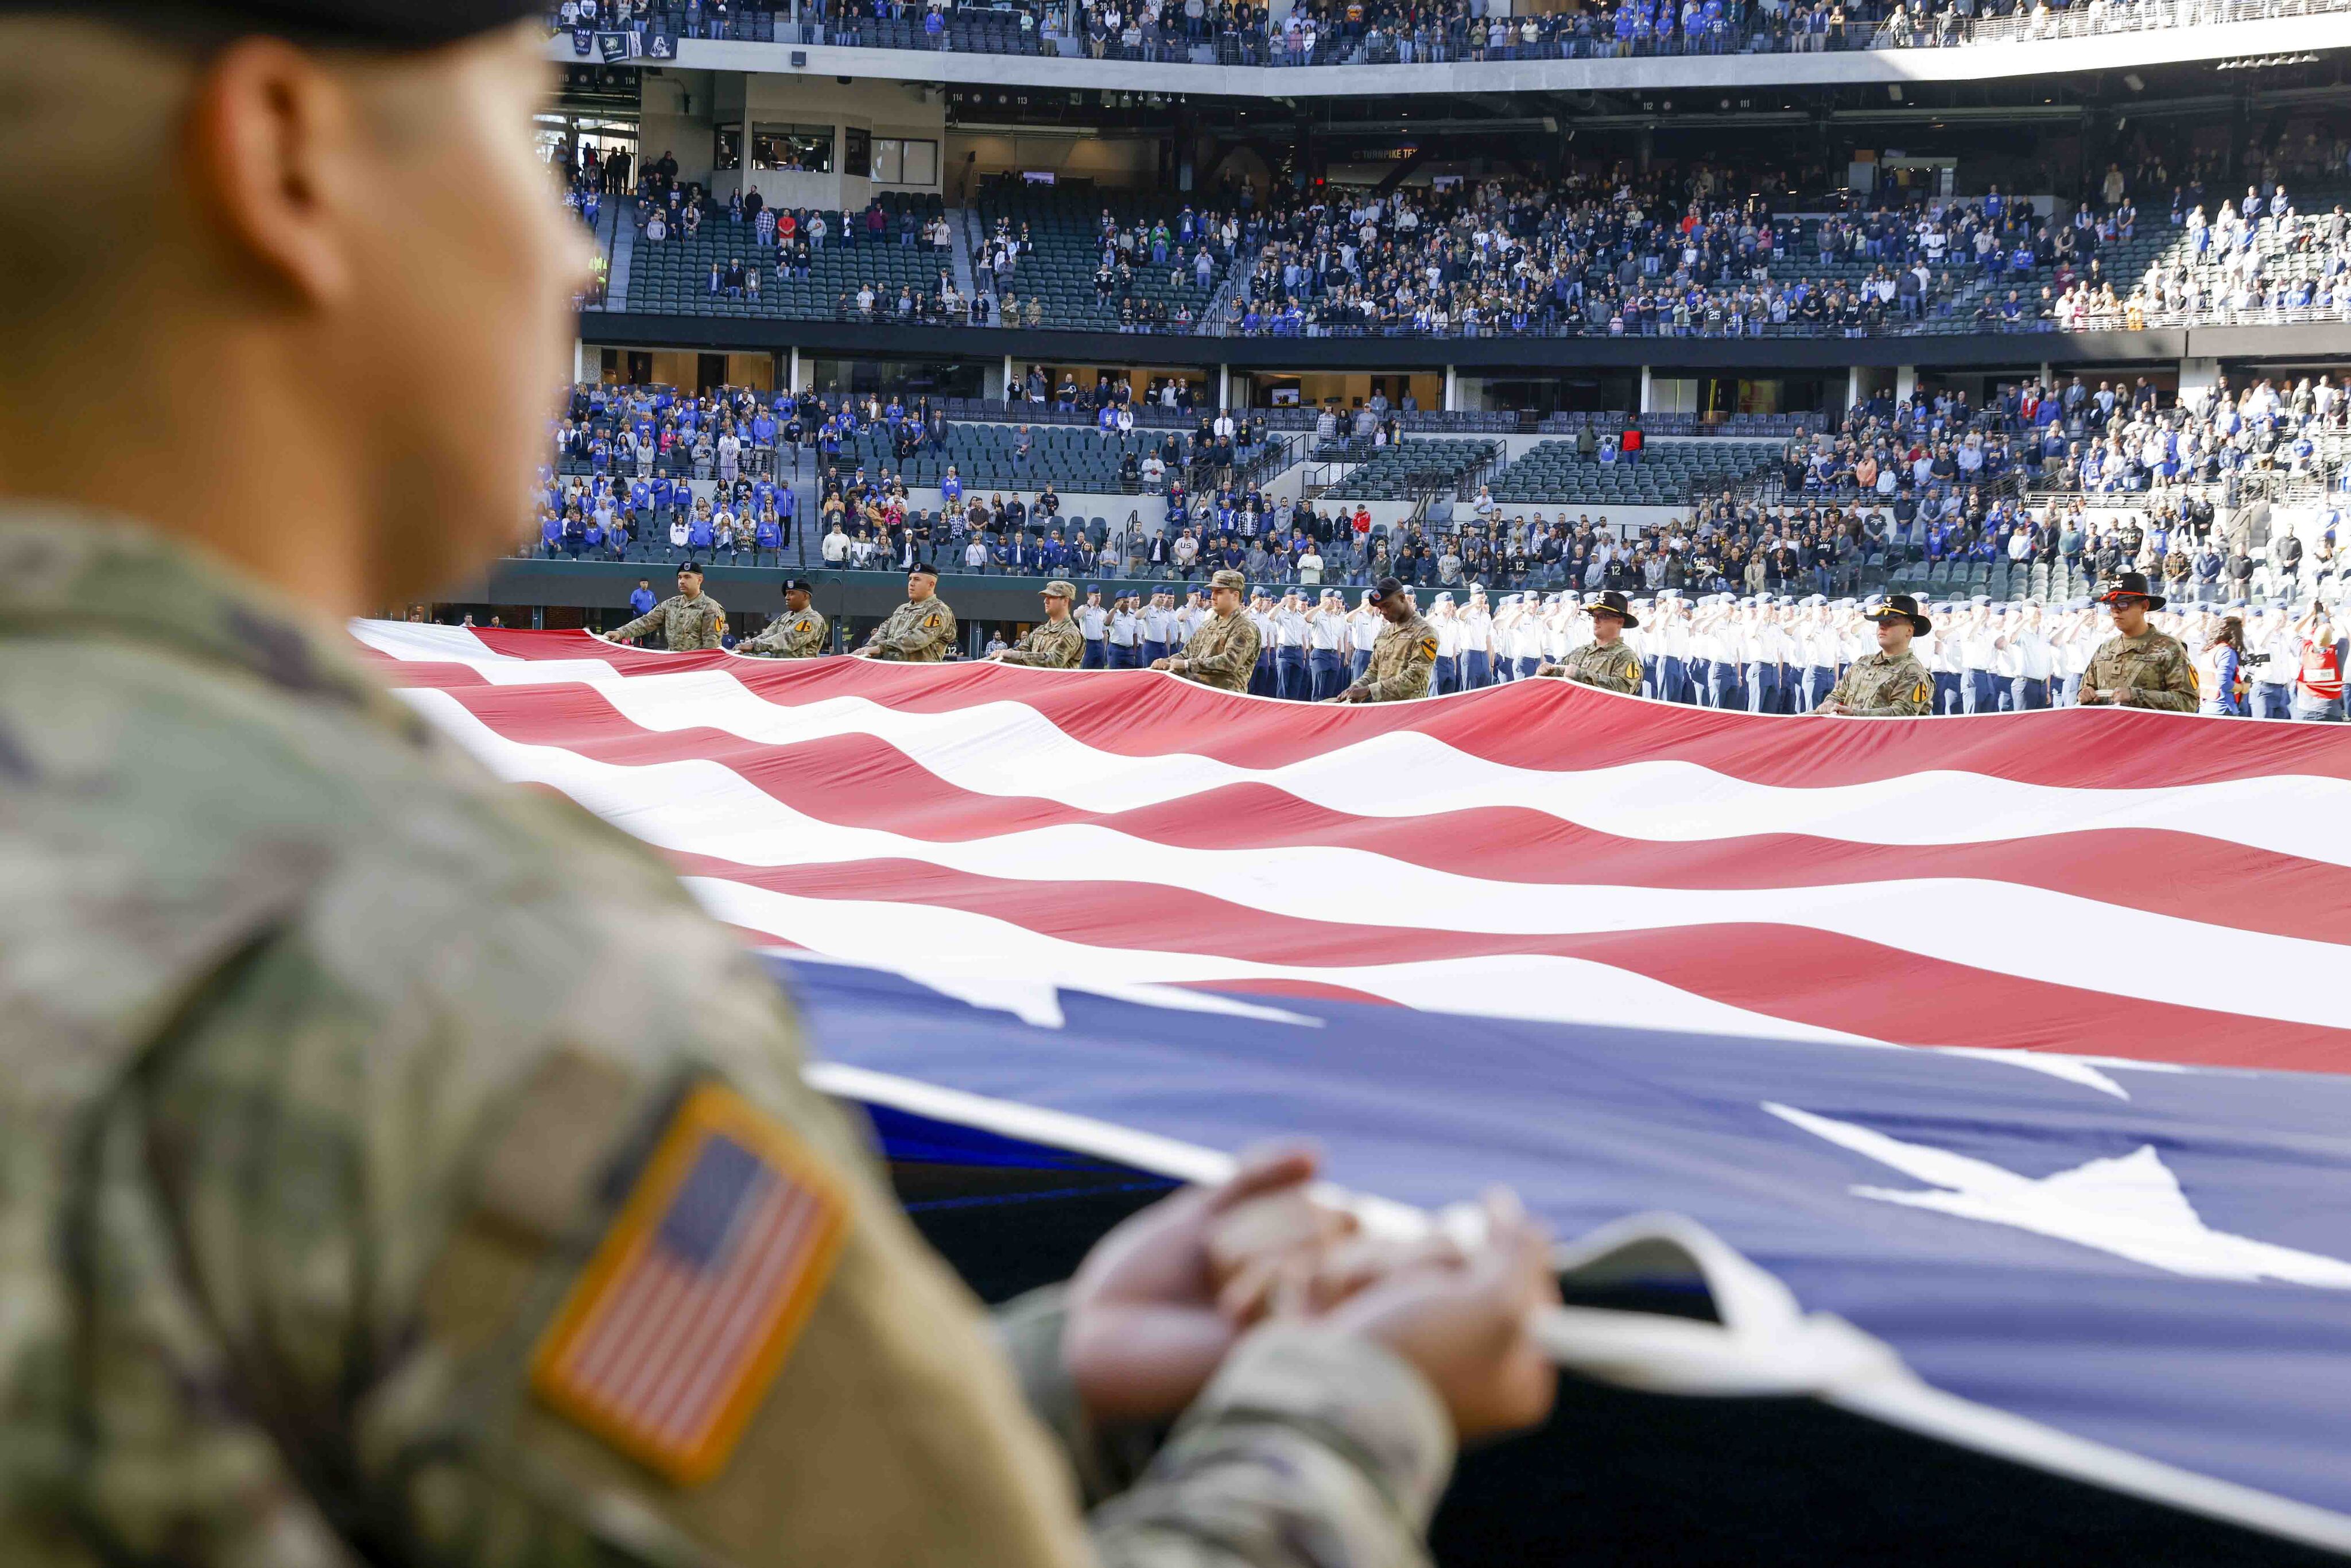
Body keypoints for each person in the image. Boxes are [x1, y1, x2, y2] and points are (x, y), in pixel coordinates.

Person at [0, 7, 1563, 1567]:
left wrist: (1003, 1395)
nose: (582, 261)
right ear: (286, 160)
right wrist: (1346, 1412)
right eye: (529, 132)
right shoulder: (465, 977)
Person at [2075, 572, 2198, 712]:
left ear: (2144, 606)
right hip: (2108, 730)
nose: (2115, 611)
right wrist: (2085, 695)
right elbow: (2086, 689)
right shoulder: (2105, 649)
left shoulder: (2170, 649)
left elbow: (2188, 702)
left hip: (2150, 732)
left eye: (2123, 604)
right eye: (2111, 605)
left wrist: (2136, 696)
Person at [1814, 594, 1935, 716]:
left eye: (1890, 622)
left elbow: (1901, 714)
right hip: (1854, 733)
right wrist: (1830, 703)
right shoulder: (1863, 662)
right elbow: (1838, 694)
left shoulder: (1913, 672)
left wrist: (1855, 714)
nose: (1882, 627)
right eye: (1880, 623)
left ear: (1909, 631)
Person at [1329, 577, 1437, 703]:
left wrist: (1369, 691)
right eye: (1379, 608)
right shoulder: (1384, 633)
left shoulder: (1425, 633)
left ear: (1402, 598)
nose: (1383, 612)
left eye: (1387, 605)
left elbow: (1415, 677)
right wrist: (1356, 687)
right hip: (1381, 709)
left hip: (1408, 711)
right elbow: (1374, 670)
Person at [1155, 568, 1260, 691]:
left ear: (1235, 595)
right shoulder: (1206, 625)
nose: (1213, 597)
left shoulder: (1244, 627)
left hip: (1225, 700)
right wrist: (1166, 662)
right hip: (1196, 695)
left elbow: (1229, 662)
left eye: (1219, 592)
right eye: (1213, 592)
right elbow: (1186, 654)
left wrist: (1187, 665)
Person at [1535, 589, 1643, 693]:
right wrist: (1545, 673)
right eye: (1594, 615)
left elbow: (1624, 689)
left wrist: (1582, 675)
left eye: (1604, 616)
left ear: (1620, 622)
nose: (1596, 620)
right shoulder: (1579, 653)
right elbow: (1556, 677)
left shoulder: (1625, 656)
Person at [605, 561, 727, 649]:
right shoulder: (671, 604)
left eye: (687, 577)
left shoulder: (711, 608)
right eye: (679, 577)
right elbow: (646, 622)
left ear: (700, 580)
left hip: (695, 670)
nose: (682, 581)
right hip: (673, 666)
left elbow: (711, 649)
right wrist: (620, 633)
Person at [856, 562, 958, 661]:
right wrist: (867, 648)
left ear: (931, 585)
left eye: (917, 579)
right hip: (893, 672)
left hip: (921, 674)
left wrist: (881, 647)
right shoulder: (902, 609)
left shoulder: (939, 610)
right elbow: (884, 630)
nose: (911, 583)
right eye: (910, 579)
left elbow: (919, 638)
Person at [990, 578, 1087, 667]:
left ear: (1065, 601)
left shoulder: (1071, 634)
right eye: (1046, 597)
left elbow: (1054, 661)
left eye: (1052, 597)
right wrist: (1003, 653)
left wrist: (1014, 655)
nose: (1046, 601)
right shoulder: (1040, 631)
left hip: (1058, 685)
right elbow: (1023, 648)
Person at [736, 577, 829, 658]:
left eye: (791, 594)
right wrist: (749, 643)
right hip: (781, 672)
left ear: (805, 596)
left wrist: (754, 646)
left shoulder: (813, 619)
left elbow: (788, 640)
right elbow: (768, 635)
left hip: (800, 674)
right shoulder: (786, 617)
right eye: (787, 594)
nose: (787, 598)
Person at [2194, 614, 2245, 717]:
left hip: (2207, 705)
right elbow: (2224, 682)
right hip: (2223, 707)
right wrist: (2241, 687)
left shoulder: (2210, 650)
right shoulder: (2227, 652)